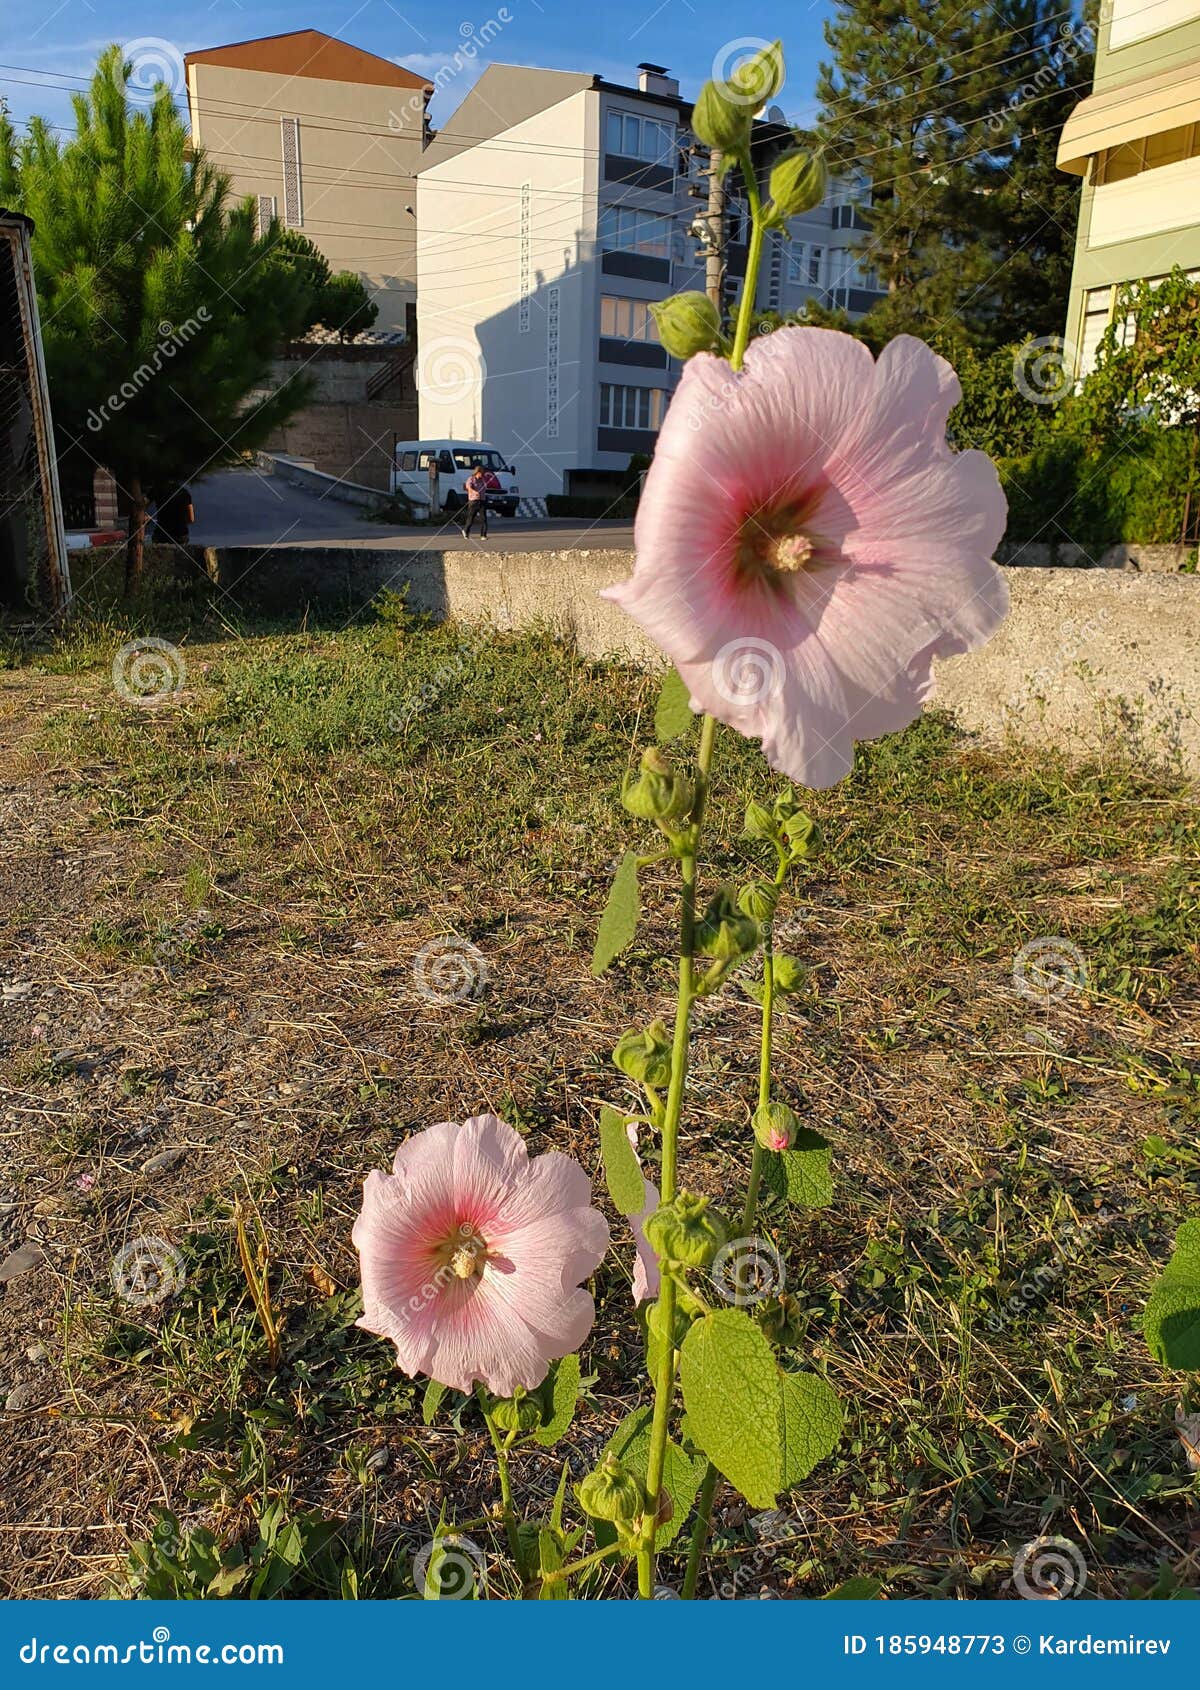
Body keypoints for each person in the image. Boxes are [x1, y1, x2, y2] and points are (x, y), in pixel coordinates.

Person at [462, 465, 489, 538]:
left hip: (482, 500)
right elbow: (468, 487)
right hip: (473, 501)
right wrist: (474, 492)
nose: (482, 474)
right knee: (471, 518)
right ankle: (465, 531)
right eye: (481, 473)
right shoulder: (471, 479)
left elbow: (485, 487)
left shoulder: (482, 480)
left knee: (484, 519)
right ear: (477, 472)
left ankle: (483, 535)